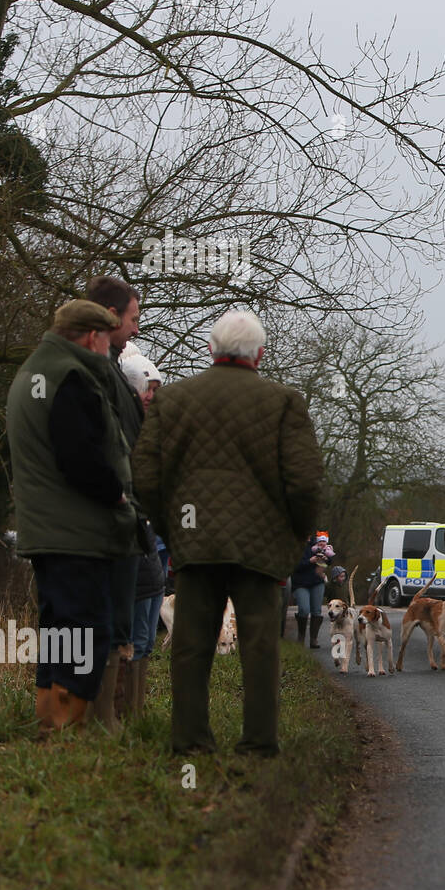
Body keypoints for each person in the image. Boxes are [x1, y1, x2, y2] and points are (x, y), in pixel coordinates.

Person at [133, 308, 322, 757]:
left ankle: (191, 742)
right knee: (259, 646)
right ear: (258, 354)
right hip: (260, 548)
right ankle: (257, 742)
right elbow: (305, 483)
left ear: (210, 349)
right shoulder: (284, 402)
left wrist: (172, 530)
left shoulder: (173, 399)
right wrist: (293, 539)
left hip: (193, 542)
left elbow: (145, 475)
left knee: (191, 644)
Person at [5, 300, 141, 732]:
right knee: (84, 627)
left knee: (61, 626)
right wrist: (117, 495)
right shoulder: (72, 377)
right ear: (91, 337)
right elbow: (78, 455)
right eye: (105, 338)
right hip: (74, 528)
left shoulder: (34, 371)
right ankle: (63, 725)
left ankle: (52, 717)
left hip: (47, 525)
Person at [85, 276, 145, 725]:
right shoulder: (97, 375)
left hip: (123, 518)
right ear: (110, 318)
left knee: (121, 623)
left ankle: (115, 717)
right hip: (109, 521)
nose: (136, 330)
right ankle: (101, 720)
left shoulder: (112, 373)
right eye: (133, 319)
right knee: (104, 623)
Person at [122, 347, 166, 715]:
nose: (151, 396)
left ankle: (134, 712)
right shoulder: (126, 429)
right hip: (133, 544)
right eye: (147, 388)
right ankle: (123, 713)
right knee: (134, 638)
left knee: (147, 638)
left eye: (156, 389)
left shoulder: (146, 429)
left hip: (150, 544)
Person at [292, 532, 335, 647]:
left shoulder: (318, 544)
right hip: (300, 582)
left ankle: (313, 639)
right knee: (304, 609)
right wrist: (309, 562)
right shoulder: (295, 545)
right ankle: (301, 637)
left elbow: (328, 562)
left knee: (317, 611)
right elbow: (294, 565)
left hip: (317, 582)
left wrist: (325, 560)